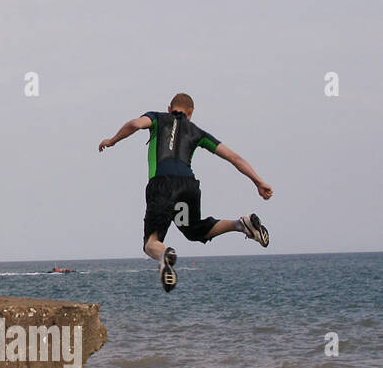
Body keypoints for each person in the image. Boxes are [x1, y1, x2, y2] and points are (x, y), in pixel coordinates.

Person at [98, 92, 272, 291]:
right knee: (194, 230)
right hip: (188, 187)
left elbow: (136, 124)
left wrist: (112, 140)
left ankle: (164, 257)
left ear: (169, 109)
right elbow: (234, 157)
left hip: (162, 186)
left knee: (151, 242)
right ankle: (242, 224)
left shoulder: (157, 118)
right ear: (191, 113)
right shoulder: (197, 132)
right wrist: (259, 182)